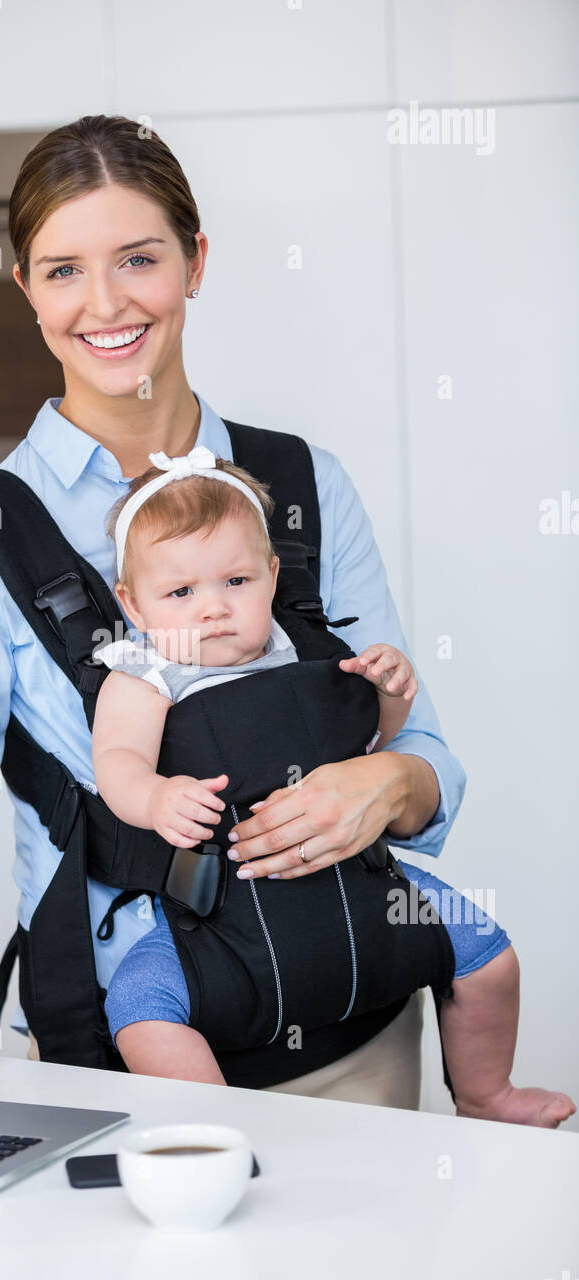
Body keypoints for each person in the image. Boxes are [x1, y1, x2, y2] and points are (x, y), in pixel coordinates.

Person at [0, 113, 485, 1107]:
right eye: (62, 269)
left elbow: (428, 761)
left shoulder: (298, 483)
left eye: (138, 259)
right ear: (23, 287)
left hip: (352, 1039)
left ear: (194, 263)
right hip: (127, 1056)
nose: (103, 302)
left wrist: (389, 780)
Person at [92, 447, 576, 1127]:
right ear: (131, 603)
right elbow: (115, 762)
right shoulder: (144, 676)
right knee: (140, 1013)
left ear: (272, 575)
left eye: (236, 580)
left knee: (488, 958)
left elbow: (375, 742)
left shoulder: (305, 645)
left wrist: (391, 689)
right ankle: (218, 1131)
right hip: (222, 920)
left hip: (363, 888)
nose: (213, 610)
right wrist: (154, 798)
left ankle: (486, 1093)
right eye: (181, 593)